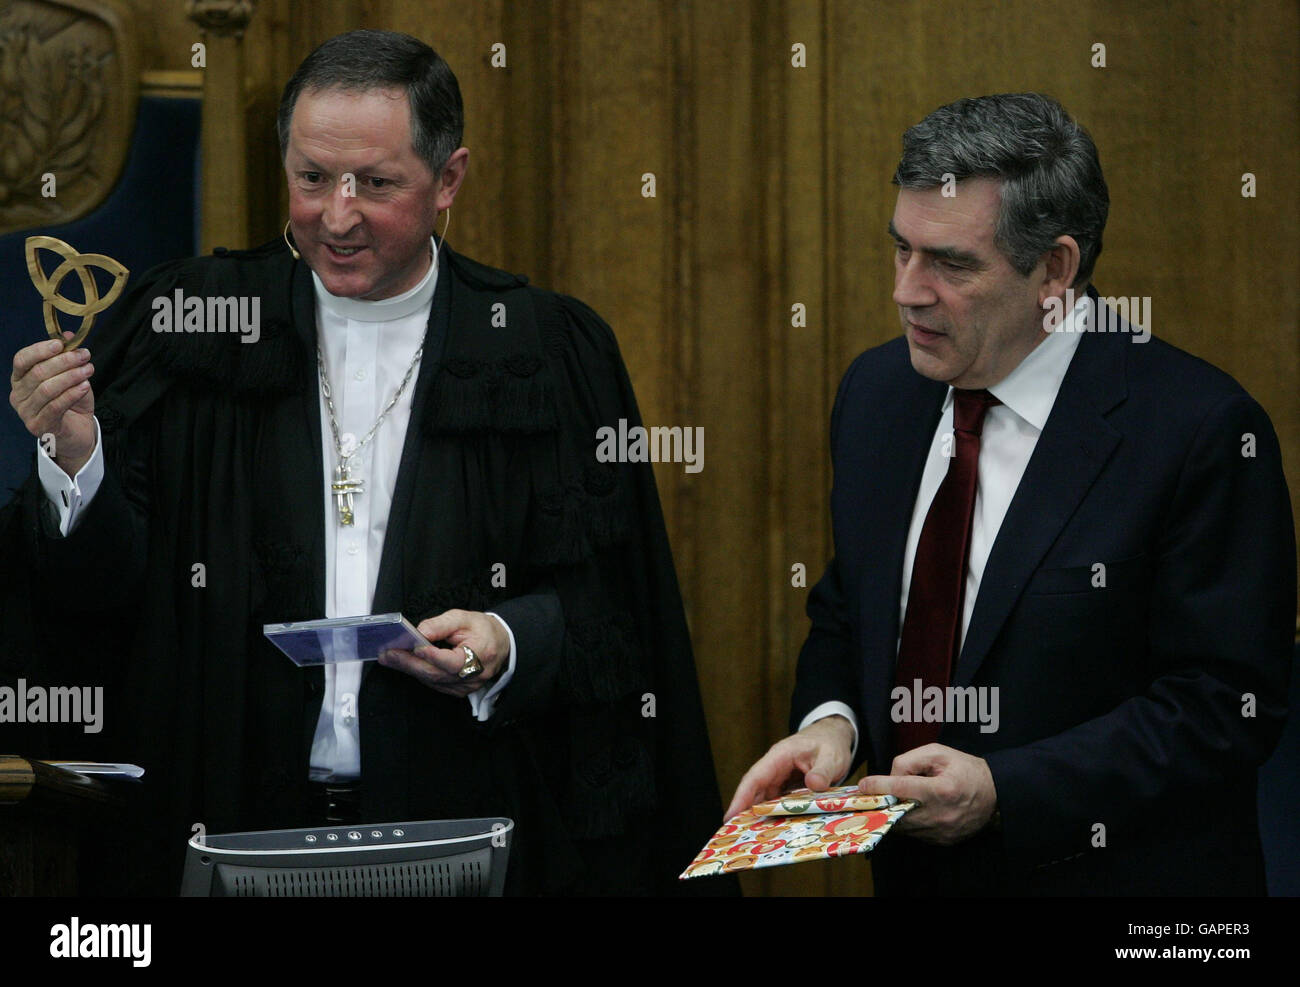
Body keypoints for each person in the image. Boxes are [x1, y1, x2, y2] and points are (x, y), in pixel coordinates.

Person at [3, 29, 730, 896]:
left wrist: (503, 641)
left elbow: (615, 615)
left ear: (449, 178)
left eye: (376, 184)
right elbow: (95, 601)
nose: (337, 216)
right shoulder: (188, 324)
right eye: (311, 177)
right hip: (228, 816)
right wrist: (76, 462)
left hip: (463, 819)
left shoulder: (545, 348)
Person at [726, 93, 1294, 895]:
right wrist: (833, 722)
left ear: (1054, 270)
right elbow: (850, 607)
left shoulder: (1198, 430)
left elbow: (1223, 706)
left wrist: (1006, 790)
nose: (907, 292)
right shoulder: (877, 393)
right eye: (901, 249)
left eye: (950, 264)